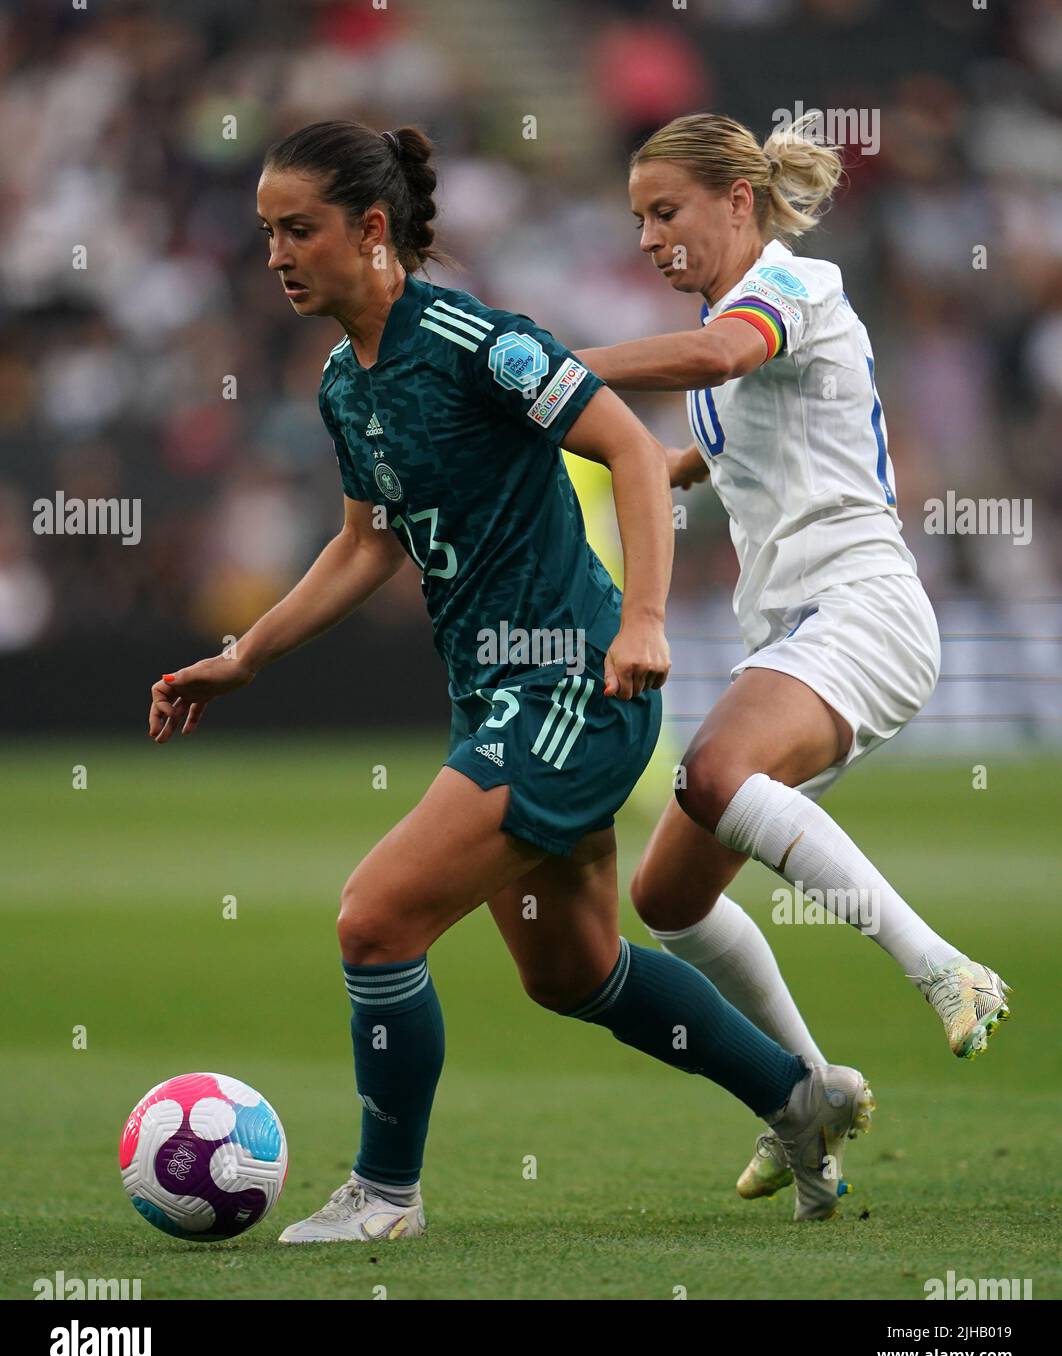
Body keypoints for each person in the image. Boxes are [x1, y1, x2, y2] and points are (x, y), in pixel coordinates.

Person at [148, 119, 871, 1235]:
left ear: (373, 229)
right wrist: (244, 656)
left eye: (300, 229)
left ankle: (386, 1194)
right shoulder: (349, 380)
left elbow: (632, 447)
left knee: (375, 920)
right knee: (571, 972)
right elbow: (366, 542)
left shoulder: (477, 339)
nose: (279, 253)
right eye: (266, 233)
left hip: (577, 685)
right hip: (495, 694)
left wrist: (642, 622)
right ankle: (797, 1097)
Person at [577, 112, 1009, 1205]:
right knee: (668, 893)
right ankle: (811, 1094)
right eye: (636, 219)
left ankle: (943, 967)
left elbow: (725, 355)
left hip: (862, 608)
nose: (646, 238)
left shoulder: (794, 287)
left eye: (664, 211)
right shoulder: (734, 340)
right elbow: (741, 428)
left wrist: (564, 373)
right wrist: (674, 466)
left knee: (718, 774)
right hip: (799, 633)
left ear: (737, 203)